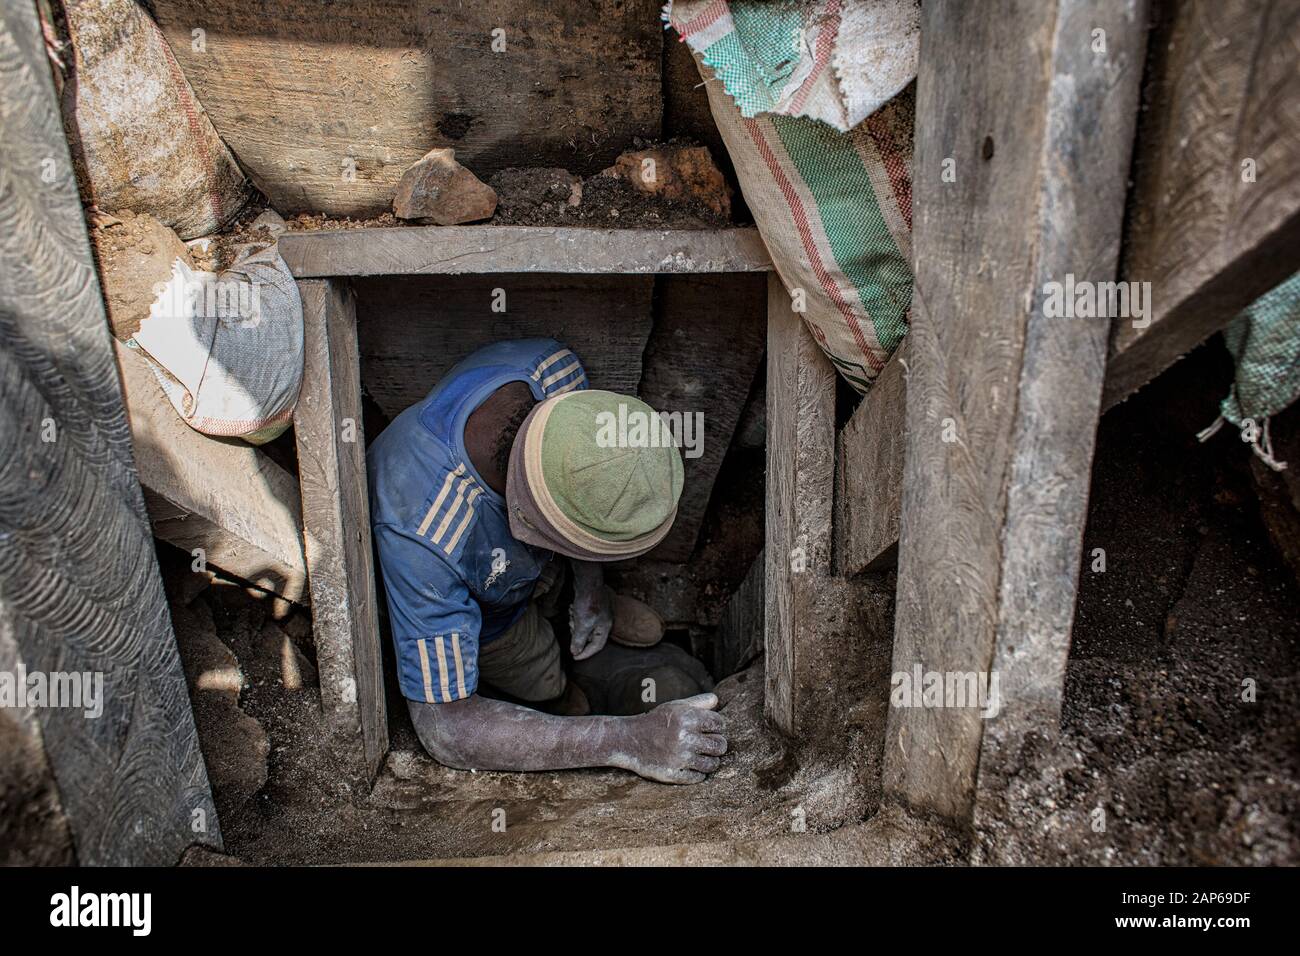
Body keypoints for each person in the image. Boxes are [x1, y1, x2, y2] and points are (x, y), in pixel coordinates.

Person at [367, 339, 728, 784]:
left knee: (579, 605)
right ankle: (565, 694)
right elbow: (447, 726)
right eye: (586, 547)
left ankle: (582, 628)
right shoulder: (422, 535)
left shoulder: (554, 377)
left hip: (533, 566)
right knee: (541, 679)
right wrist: (624, 739)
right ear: (523, 521)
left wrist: (591, 591)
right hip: (488, 615)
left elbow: (589, 478)